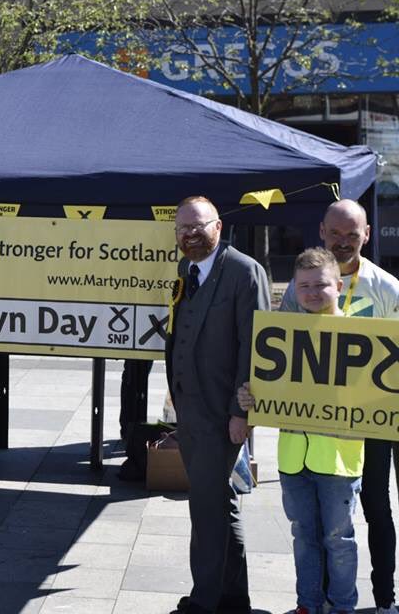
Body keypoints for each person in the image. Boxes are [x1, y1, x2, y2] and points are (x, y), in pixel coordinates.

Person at [281, 199, 399, 614]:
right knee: (326, 520)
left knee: (376, 506)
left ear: (367, 234)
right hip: (319, 426)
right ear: (321, 231)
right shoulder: (302, 288)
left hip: (374, 418)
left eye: (353, 234)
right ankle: (326, 600)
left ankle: (385, 598)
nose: (344, 242)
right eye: (336, 234)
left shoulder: (388, 289)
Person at [239, 247, 363, 614]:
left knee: (339, 540)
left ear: (338, 285)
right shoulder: (283, 334)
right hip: (294, 459)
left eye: (321, 285)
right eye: (304, 285)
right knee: (304, 537)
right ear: (293, 287)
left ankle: (342, 607)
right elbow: (271, 390)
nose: (311, 293)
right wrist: (252, 396)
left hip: (339, 460)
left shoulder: (361, 336)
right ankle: (307, 605)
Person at [166, 195, 270, 614]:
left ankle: (203, 602)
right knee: (218, 503)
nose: (190, 234)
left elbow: (256, 347)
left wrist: (241, 413)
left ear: (219, 226)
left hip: (222, 413)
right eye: (182, 228)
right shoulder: (184, 269)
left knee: (205, 511)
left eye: (198, 226)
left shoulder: (245, 271)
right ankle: (233, 597)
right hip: (191, 410)